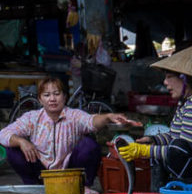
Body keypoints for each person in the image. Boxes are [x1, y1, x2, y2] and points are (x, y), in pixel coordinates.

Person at [0, 76, 139, 186]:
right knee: (13, 148)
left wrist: (108, 117)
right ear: (40, 99)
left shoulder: (74, 115)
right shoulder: (32, 118)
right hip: (40, 170)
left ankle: (84, 187)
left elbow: (91, 122)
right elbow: (3, 134)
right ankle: (33, 186)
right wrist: (21, 141)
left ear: (64, 97)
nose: (52, 99)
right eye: (47, 95)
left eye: (57, 94)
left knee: (89, 144)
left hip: (69, 171)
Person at [118, 47, 192, 184]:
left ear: (185, 79)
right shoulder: (186, 103)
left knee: (165, 151)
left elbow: (181, 150)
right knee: (159, 153)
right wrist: (153, 140)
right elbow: (174, 137)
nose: (165, 82)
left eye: (169, 77)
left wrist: (145, 151)